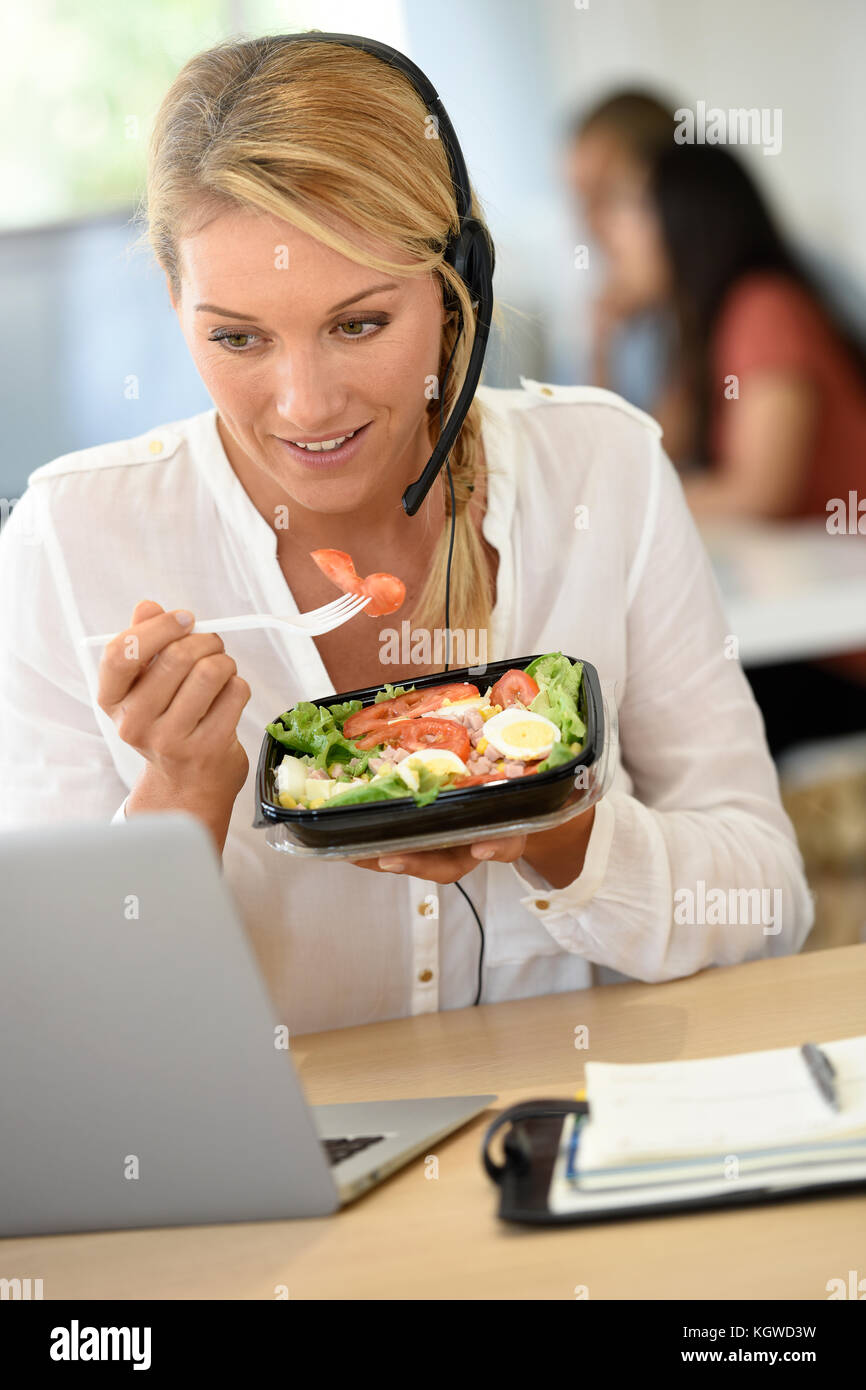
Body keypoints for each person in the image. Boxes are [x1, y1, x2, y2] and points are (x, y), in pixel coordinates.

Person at [0, 34, 814, 1034]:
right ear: (176, 304)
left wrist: (565, 831)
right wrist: (179, 802)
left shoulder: (602, 471)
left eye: (358, 324)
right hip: (284, 1175)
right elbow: (54, 1035)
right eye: (237, 337)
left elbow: (768, 904)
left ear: (453, 281)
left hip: (589, 1135)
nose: (304, 405)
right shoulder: (70, 541)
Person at [611, 141, 866, 750]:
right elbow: (640, 453)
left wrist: (618, 513)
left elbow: (760, 492)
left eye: (631, 211)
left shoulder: (763, 308)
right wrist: (612, 336)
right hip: (809, 612)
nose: (612, 235)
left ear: (684, 223)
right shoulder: (708, 325)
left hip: (837, 641)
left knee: (651, 713)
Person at [563, 90, 683, 447]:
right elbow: (590, 451)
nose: (589, 223)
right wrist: (601, 345)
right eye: (581, 201)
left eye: (608, 197)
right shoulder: (626, 314)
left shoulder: (756, 295)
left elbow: (663, 457)